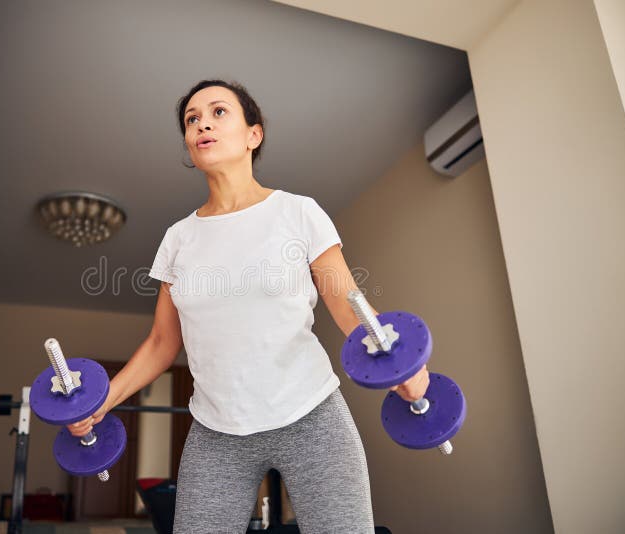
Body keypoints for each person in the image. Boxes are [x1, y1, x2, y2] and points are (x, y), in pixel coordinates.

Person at [67, 79, 430, 533]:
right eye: (192, 119)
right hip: (216, 431)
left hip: (311, 414)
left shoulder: (298, 212)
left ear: (253, 135)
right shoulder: (179, 239)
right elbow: (162, 342)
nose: (203, 124)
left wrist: (398, 365)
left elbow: (345, 304)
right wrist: (101, 403)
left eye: (218, 112)